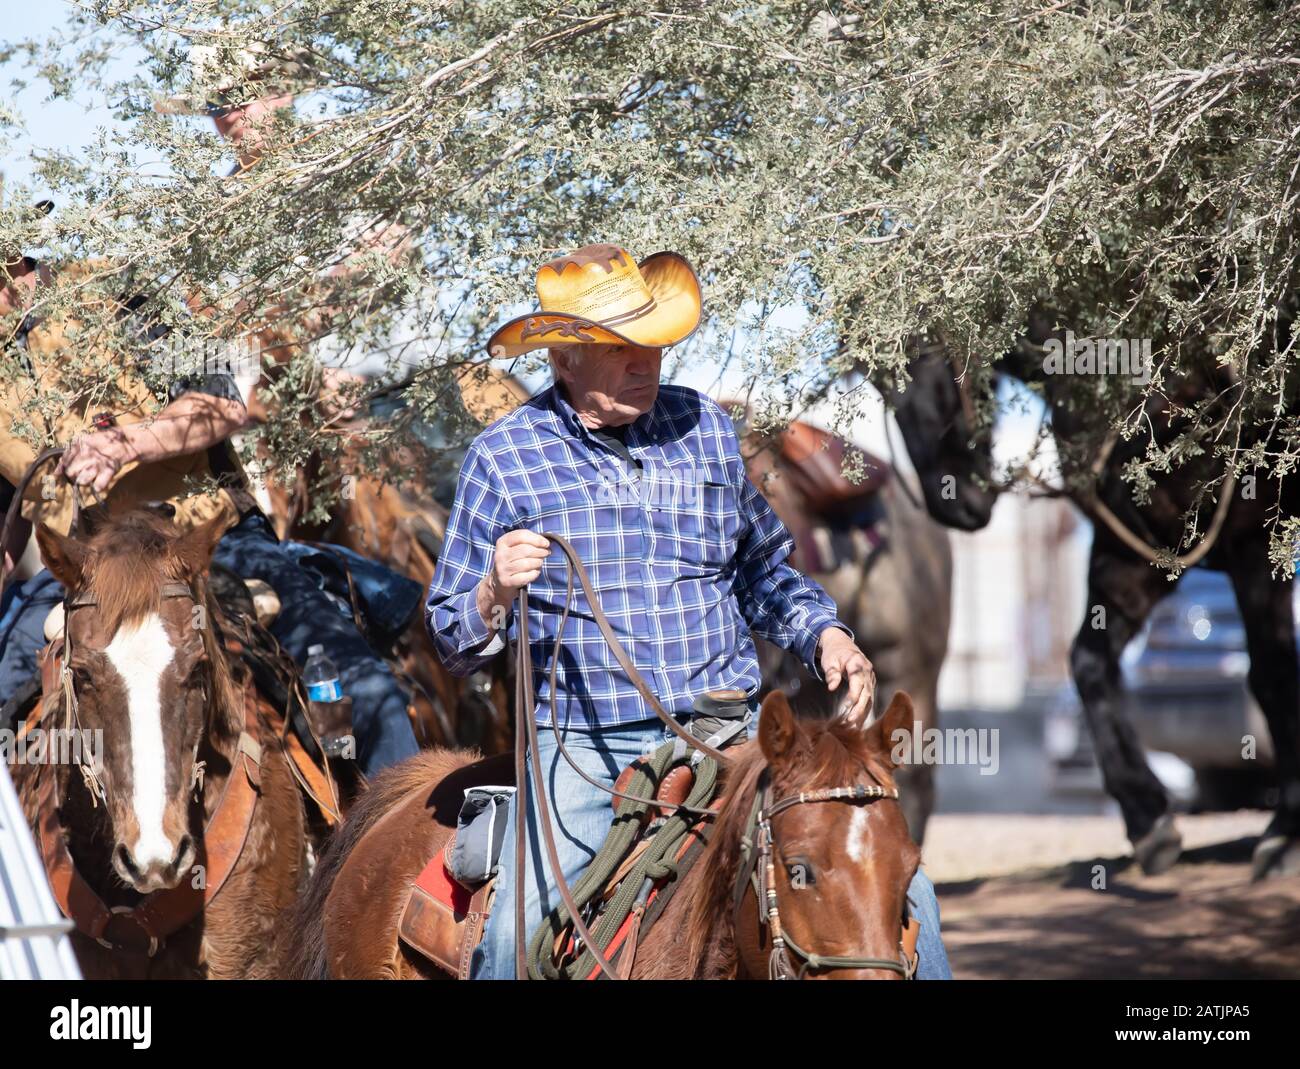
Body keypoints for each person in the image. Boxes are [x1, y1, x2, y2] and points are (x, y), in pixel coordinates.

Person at [425, 242, 952, 978]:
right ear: (566, 360)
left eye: (654, 345)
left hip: (728, 733)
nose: (647, 362)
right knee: (516, 935)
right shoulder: (505, 456)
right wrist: (492, 592)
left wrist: (824, 632)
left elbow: (765, 568)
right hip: (587, 749)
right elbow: (450, 634)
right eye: (621, 349)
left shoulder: (704, 430)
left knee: (898, 887)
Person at [0, 246, 419, 776]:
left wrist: (124, 444)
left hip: (207, 547)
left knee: (362, 691)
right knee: (7, 717)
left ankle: (410, 846)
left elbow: (220, 404)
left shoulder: (113, 288)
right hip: (81, 579)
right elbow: (10, 518)